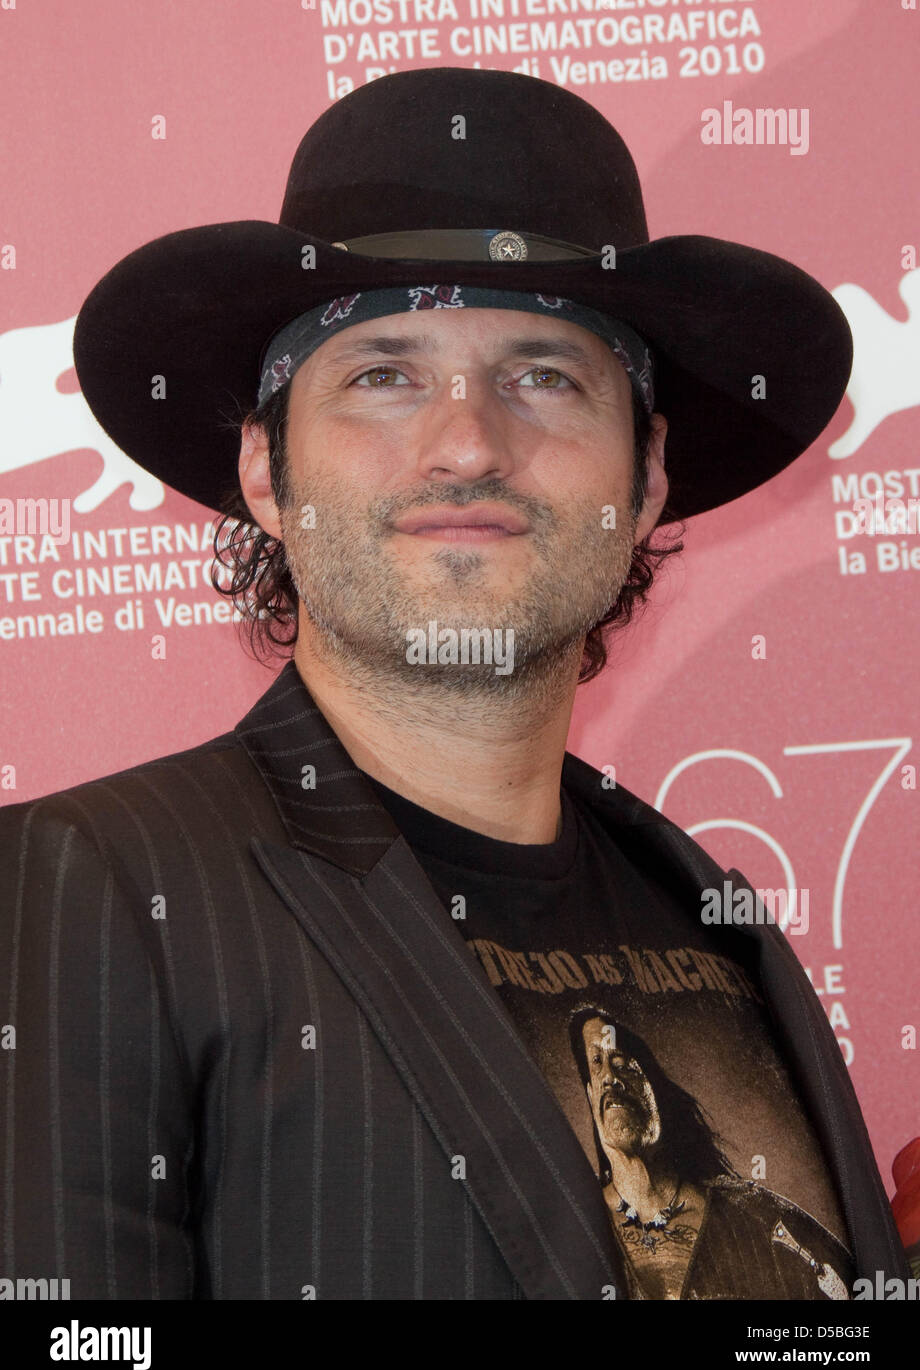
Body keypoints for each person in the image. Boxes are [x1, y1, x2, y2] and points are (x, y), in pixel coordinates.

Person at [0, 66, 908, 1300]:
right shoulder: (84, 890)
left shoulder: (710, 920)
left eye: (544, 373)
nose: (469, 441)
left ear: (643, 480)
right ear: (265, 471)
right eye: (384, 372)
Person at [569, 1008, 853, 1300]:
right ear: (590, 1095)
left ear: (657, 1090)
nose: (610, 1077)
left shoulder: (758, 1217)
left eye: (621, 1063)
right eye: (596, 1063)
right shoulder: (571, 1226)